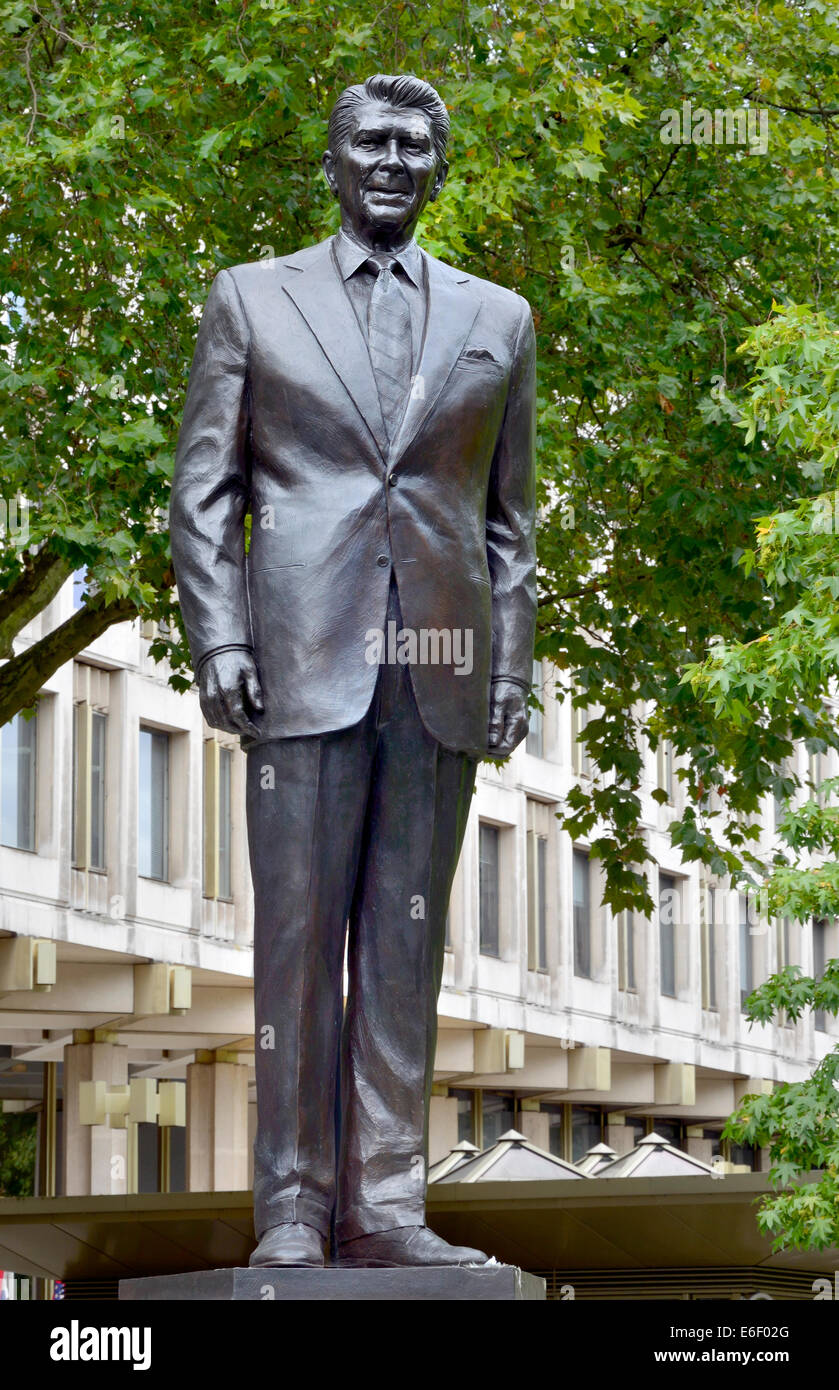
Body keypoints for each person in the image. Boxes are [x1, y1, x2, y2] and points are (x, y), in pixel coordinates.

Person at [170, 72, 537, 1268]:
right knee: (295, 942)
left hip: (435, 668)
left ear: (438, 167)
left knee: (400, 945)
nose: (390, 160)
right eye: (369, 143)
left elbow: (506, 522)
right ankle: (288, 1201)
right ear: (331, 164)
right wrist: (219, 637)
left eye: (413, 146)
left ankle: (385, 1204)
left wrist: (508, 668)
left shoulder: (499, 317)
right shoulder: (249, 301)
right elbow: (206, 493)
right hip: (297, 659)